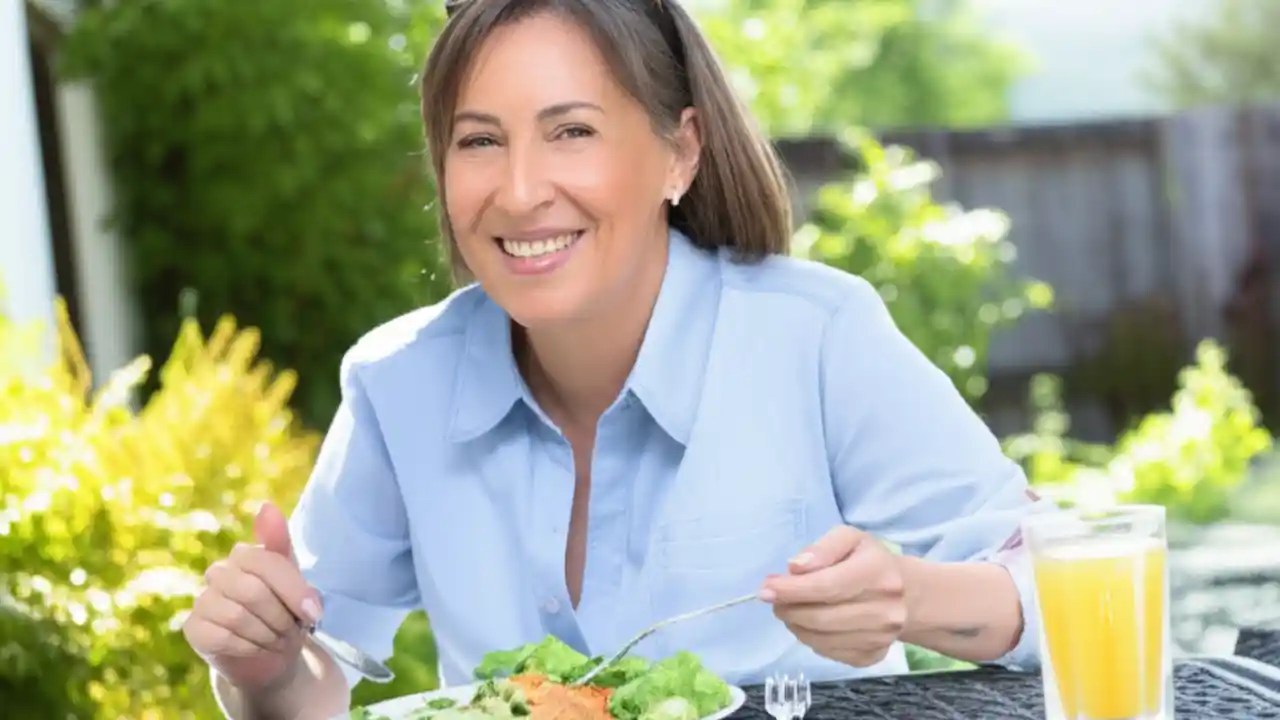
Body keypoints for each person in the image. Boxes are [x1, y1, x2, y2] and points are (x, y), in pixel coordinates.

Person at [182, 0, 1053, 717]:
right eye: (479, 140)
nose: (520, 193)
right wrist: (261, 668)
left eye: (571, 132)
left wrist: (907, 597)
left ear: (680, 151)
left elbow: (1060, 592)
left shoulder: (814, 335)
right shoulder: (396, 383)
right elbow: (317, 676)